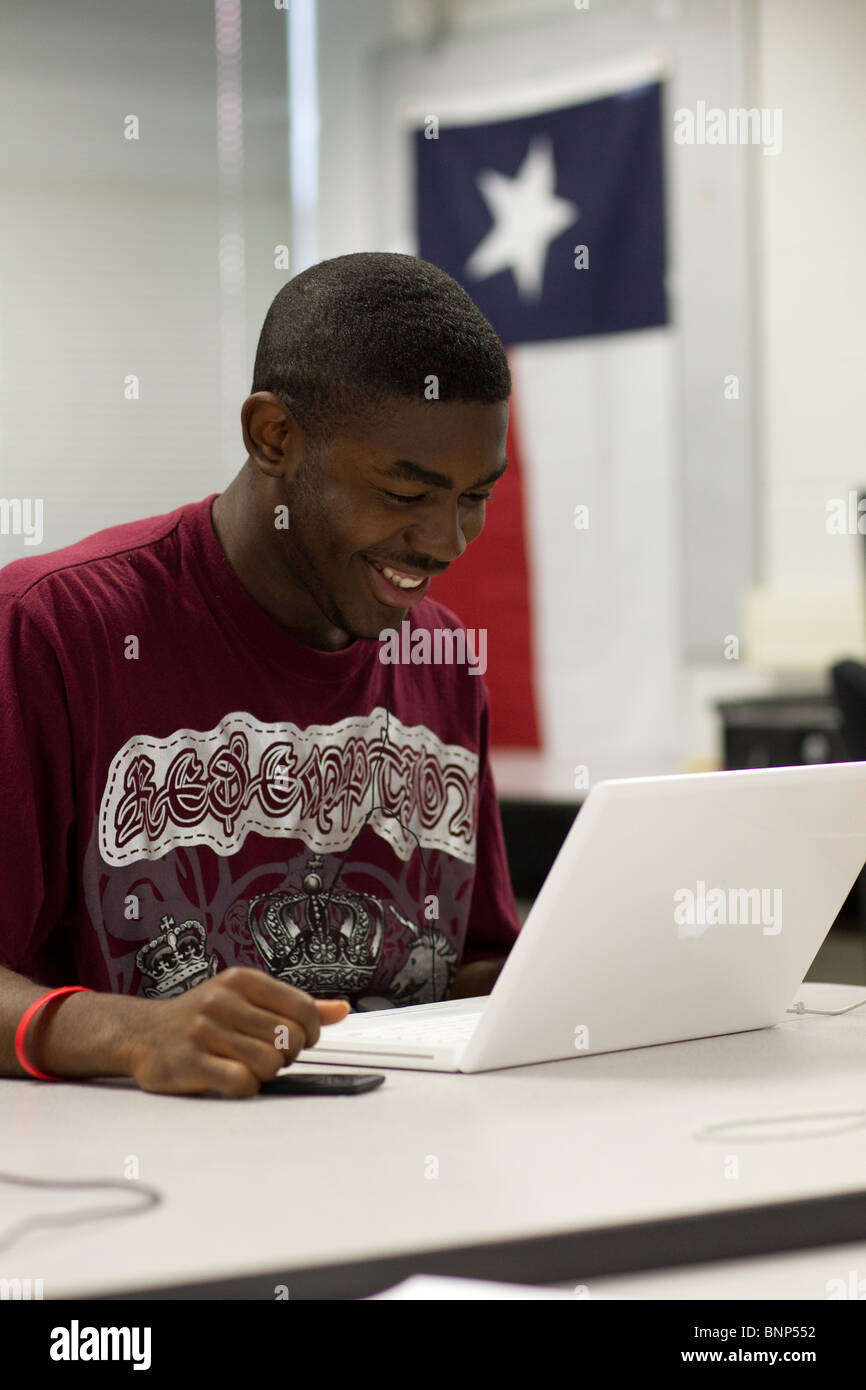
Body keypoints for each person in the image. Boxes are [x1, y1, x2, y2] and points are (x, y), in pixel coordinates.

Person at [0, 251, 521, 1098]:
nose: (446, 541)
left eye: (474, 496)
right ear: (274, 436)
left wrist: (586, 976)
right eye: (406, 490)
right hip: (149, 1187)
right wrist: (127, 1031)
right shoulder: (50, 628)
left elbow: (468, 968)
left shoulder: (443, 657)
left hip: (411, 1170)